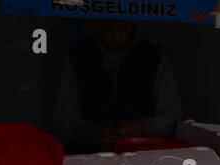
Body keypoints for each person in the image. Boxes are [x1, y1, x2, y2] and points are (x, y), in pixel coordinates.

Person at [56, 20, 182, 154]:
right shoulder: (77, 56)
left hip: (142, 158)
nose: (115, 38)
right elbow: (62, 119)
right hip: (88, 158)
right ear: (96, 26)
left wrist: (142, 127)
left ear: (132, 24)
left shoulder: (155, 56)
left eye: (123, 29)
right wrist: (92, 132)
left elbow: (172, 117)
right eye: (107, 30)